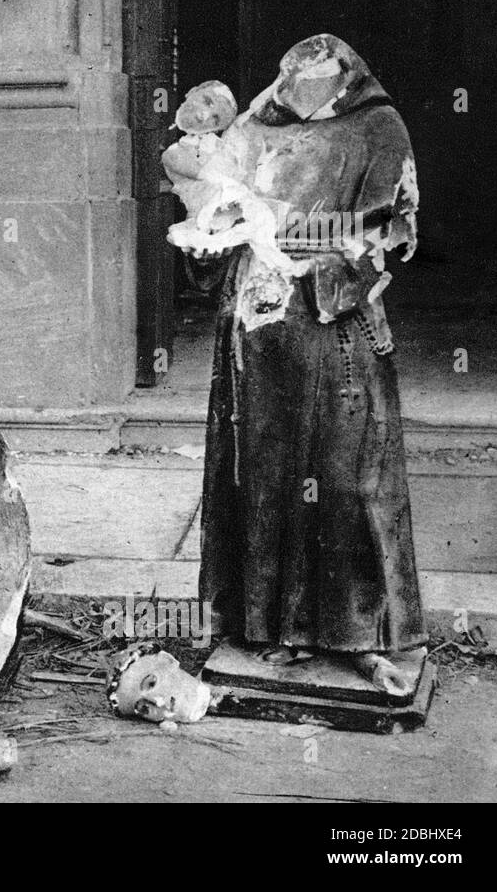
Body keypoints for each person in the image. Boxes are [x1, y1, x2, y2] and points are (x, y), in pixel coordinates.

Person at [175, 35, 425, 696]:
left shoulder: (379, 129)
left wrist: (288, 237)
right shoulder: (257, 128)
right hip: (256, 338)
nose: (305, 97)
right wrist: (209, 235)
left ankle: (361, 638)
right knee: (258, 483)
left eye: (322, 84)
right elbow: (215, 207)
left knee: (347, 487)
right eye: (296, 83)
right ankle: (261, 631)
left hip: (331, 330)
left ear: (348, 79)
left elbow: (387, 231)